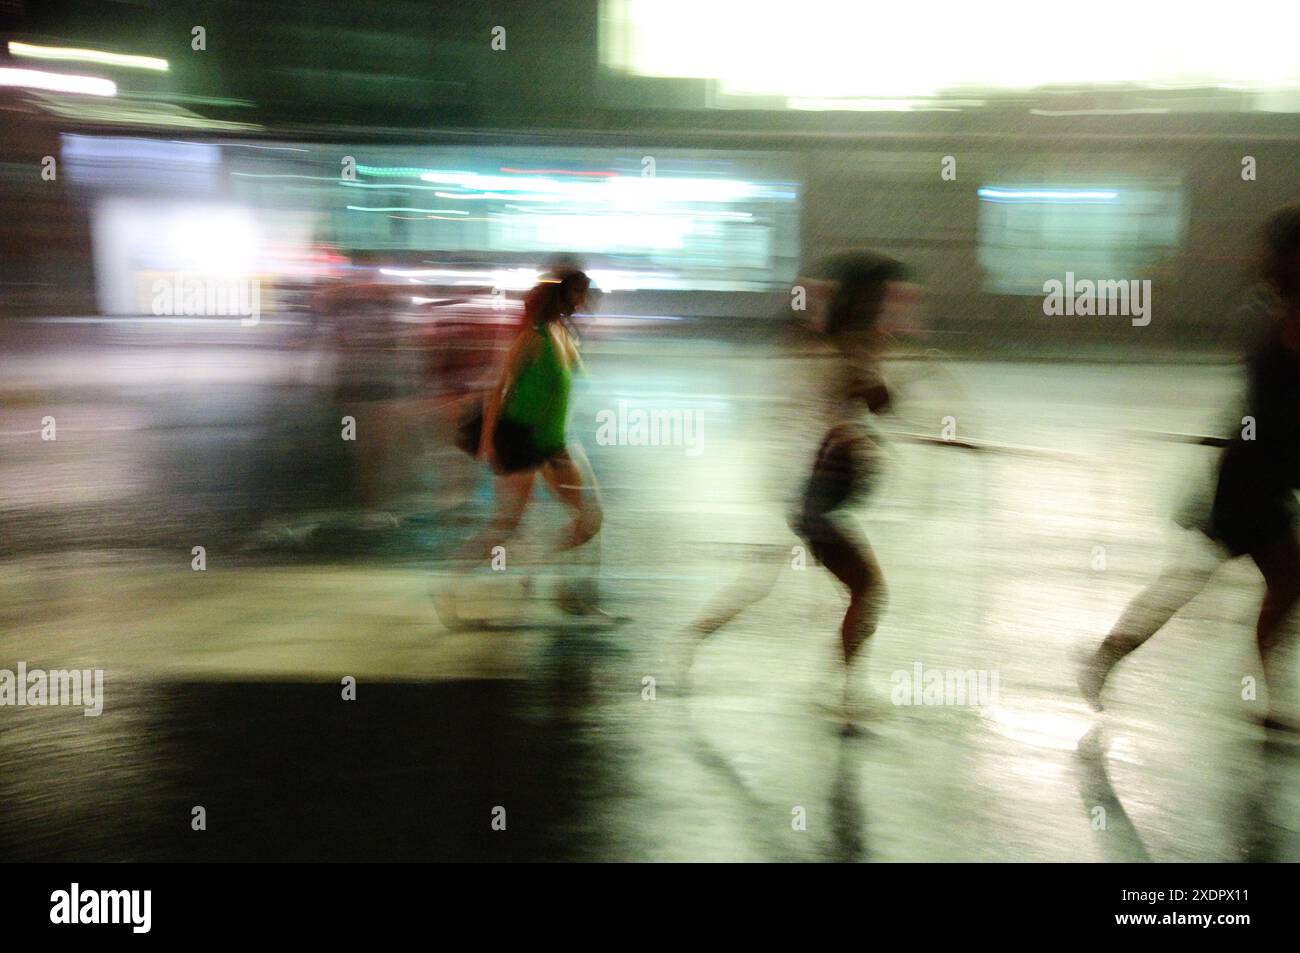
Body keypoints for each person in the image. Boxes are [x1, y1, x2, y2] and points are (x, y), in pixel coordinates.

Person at [1080, 203, 1300, 726]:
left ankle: (1110, 655)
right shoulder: (1280, 314)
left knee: (1230, 578)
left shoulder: (1271, 306)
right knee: (1247, 579)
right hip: (1254, 477)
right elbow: (1278, 399)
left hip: (1257, 470)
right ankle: (1109, 656)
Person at [677, 251, 914, 721]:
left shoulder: (842, 345)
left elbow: (860, 405)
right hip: (816, 500)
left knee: (767, 582)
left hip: (812, 495)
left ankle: (696, 637)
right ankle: (843, 695)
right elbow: (878, 402)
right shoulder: (850, 350)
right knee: (867, 589)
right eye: (885, 295)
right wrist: (883, 373)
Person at [435, 267, 604, 626]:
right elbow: (499, 389)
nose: (584, 301)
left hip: (553, 442)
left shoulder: (564, 334)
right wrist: (486, 442)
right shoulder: (534, 337)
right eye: (579, 294)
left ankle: (552, 582)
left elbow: (571, 386)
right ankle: (447, 590)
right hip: (520, 441)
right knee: (505, 527)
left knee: (590, 518)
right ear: (563, 296)